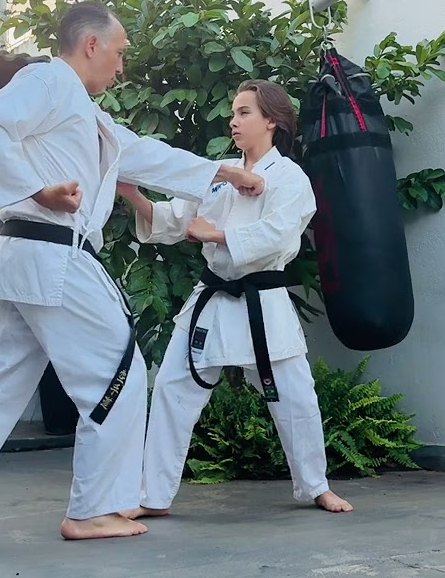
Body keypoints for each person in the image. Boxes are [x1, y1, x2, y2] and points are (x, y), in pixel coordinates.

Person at [0, 1, 267, 542]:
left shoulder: (87, 113)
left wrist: (223, 171)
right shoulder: (48, 81)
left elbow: (141, 154)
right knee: (117, 372)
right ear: (91, 45)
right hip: (53, 255)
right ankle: (93, 509)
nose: (122, 66)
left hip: (29, 261)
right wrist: (37, 189)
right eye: (120, 53)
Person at [116, 79, 355, 519]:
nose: (234, 120)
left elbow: (278, 235)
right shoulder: (219, 173)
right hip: (212, 298)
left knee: (296, 396)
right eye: (233, 112)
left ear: (272, 121)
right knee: (172, 389)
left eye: (244, 112)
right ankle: (152, 495)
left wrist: (218, 234)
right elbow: (174, 221)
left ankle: (315, 486)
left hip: (263, 301)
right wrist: (134, 196)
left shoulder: (290, 178)